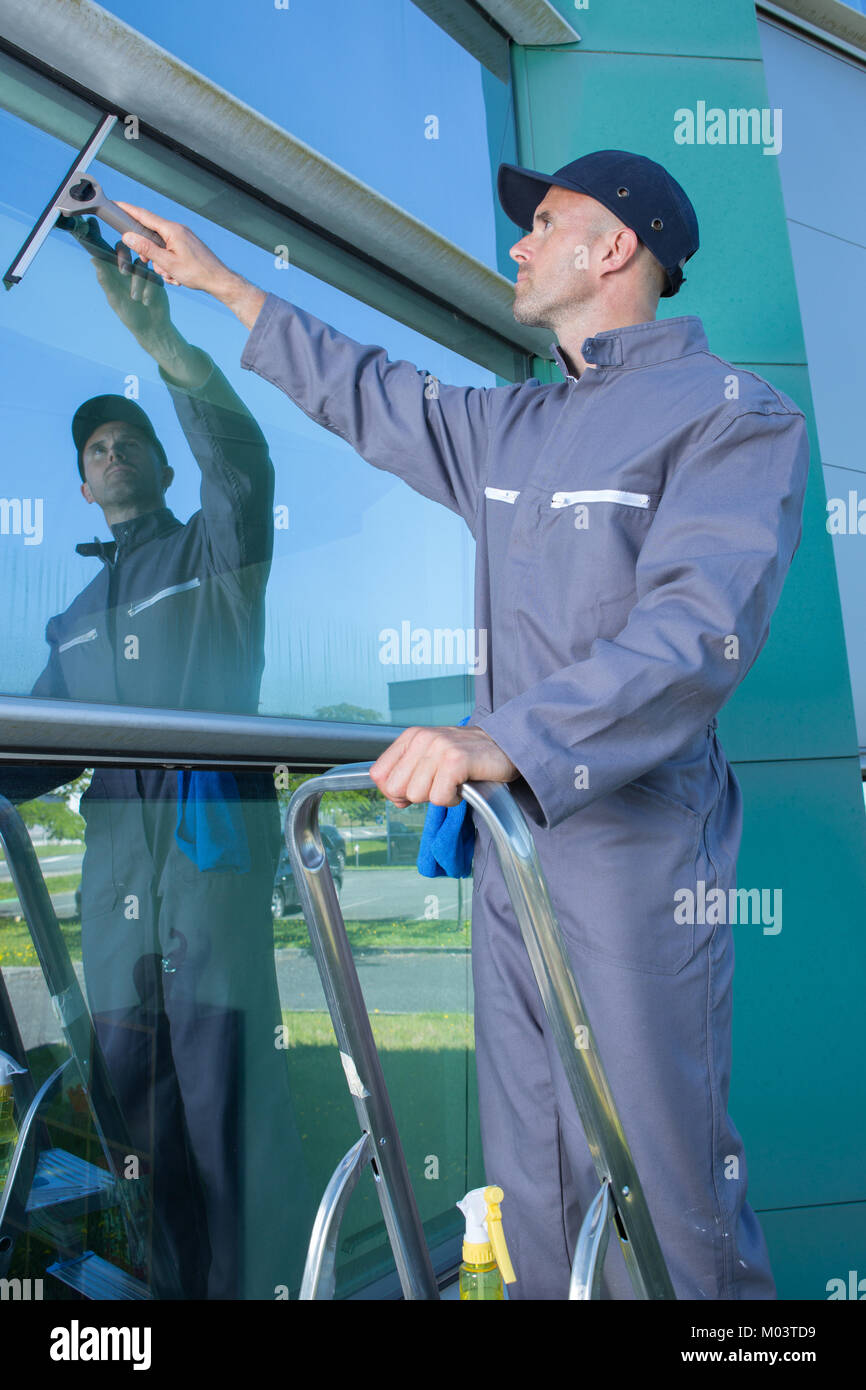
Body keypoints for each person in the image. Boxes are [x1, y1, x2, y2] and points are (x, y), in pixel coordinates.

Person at [117, 148, 809, 1300]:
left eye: (544, 222)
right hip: (511, 850)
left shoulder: (731, 417)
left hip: (637, 856)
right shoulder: (516, 427)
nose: (518, 245)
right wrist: (229, 289)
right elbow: (370, 388)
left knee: (664, 1179)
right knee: (531, 1171)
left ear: (614, 248)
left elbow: (695, 632)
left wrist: (505, 741)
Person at [3, 228, 308, 1298]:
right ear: (83, 488)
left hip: (208, 871)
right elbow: (25, 756)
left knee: (227, 1113)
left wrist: (163, 340)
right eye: (93, 449)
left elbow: (245, 462)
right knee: (131, 1112)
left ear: (164, 461)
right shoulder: (77, 620)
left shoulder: (215, 556)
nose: (110, 451)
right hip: (114, 899)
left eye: (127, 438)